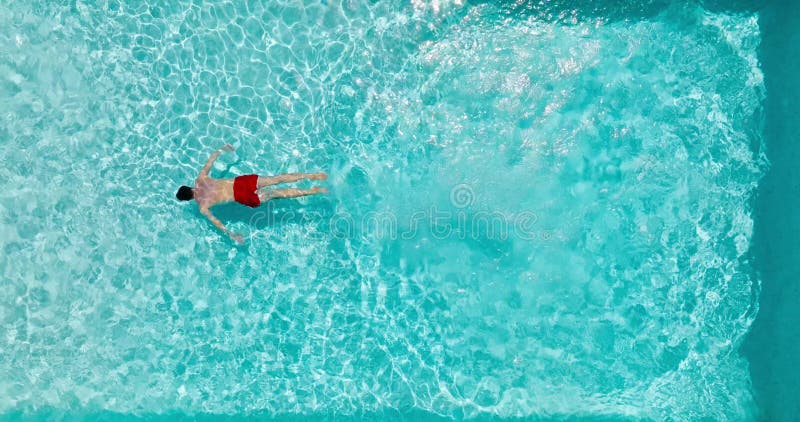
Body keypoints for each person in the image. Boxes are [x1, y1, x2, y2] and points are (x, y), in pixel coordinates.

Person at [176, 144, 327, 244]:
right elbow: (211, 160)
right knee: (277, 179)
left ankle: (313, 191)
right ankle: (311, 175)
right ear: (188, 187)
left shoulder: (202, 206)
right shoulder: (200, 179)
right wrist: (222, 149)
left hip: (243, 197)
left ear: (187, 200)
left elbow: (217, 223)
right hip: (241, 183)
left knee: (279, 193)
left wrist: (231, 234)